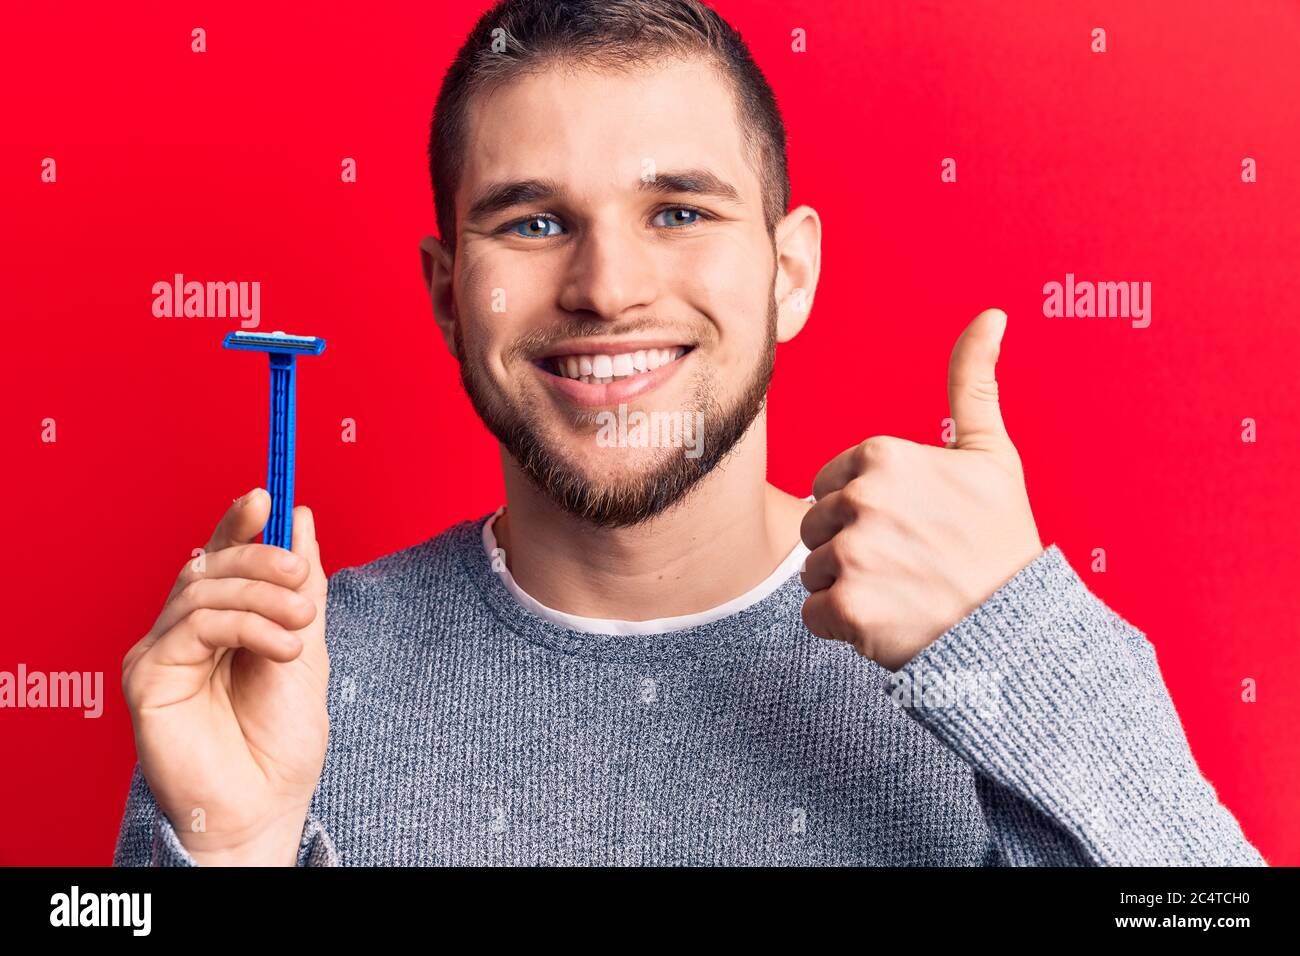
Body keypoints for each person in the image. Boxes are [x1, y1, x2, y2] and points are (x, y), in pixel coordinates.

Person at [113, 0, 1265, 866]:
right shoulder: (287, 680)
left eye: (678, 210)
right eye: (534, 219)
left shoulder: (992, 644)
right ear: (446, 292)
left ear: (789, 270)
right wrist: (227, 848)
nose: (606, 287)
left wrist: (1014, 642)